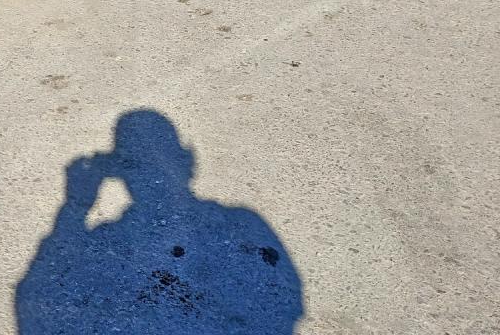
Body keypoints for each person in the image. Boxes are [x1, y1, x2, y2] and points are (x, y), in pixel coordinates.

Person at [15, 110, 303, 334]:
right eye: (136, 164)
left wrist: (75, 207)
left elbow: (37, 301)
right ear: (189, 160)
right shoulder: (244, 223)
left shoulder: (103, 241)